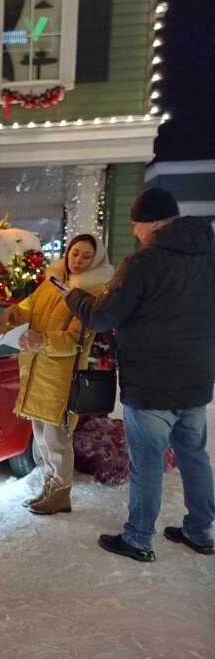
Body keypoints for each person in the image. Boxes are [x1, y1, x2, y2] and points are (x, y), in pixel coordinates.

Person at [62, 188, 215, 563]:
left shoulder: (143, 262)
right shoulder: (207, 255)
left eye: (136, 225)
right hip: (195, 379)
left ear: (155, 222)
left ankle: (138, 538)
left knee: (146, 462)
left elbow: (103, 315)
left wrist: (73, 296)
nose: (135, 233)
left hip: (150, 383)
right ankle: (200, 529)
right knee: (194, 456)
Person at [1, 233, 113, 515]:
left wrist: (43, 341)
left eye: (87, 256)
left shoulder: (91, 295)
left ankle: (61, 492)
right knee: (41, 437)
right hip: (38, 372)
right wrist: (17, 312)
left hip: (61, 378)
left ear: (97, 260)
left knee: (57, 438)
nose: (78, 261)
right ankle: (50, 487)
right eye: (75, 253)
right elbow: (31, 305)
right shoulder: (53, 281)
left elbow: (77, 341)